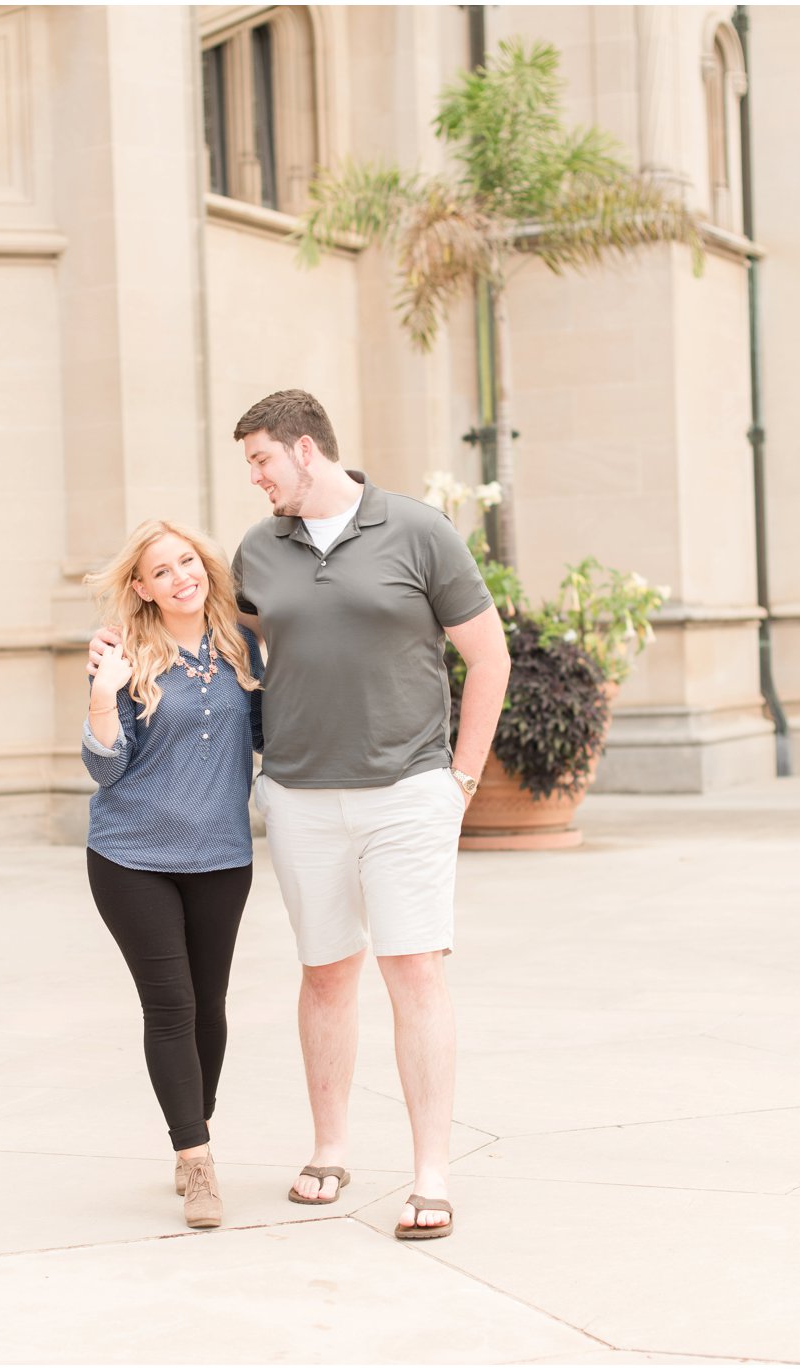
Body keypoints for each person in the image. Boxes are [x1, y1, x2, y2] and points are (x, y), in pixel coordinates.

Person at [91, 389, 510, 1240]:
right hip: (298, 797)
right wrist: (116, 652)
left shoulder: (418, 530)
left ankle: (431, 1173)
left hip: (407, 791)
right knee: (324, 973)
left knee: (415, 971)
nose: (255, 477)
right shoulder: (260, 549)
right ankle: (328, 1149)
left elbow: (489, 655)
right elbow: (208, 633)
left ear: (304, 449)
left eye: (261, 460)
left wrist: (461, 781)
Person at [80, 519, 266, 1230]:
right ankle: (197, 1161)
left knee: (209, 1007)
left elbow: (265, 735)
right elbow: (106, 768)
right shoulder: (122, 652)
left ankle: (193, 1127)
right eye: (162, 571)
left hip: (221, 855)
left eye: (187, 561)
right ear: (141, 588)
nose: (180, 576)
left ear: (205, 566)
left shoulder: (239, 643)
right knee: (171, 1007)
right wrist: (104, 694)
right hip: (131, 856)